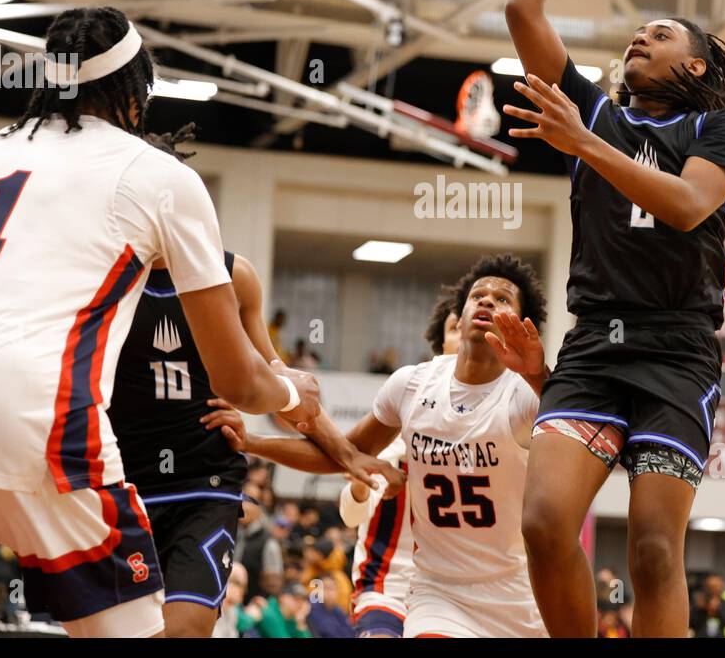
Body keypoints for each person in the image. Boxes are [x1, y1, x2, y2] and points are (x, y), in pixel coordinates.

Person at [0, 5, 323, 638]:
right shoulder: (159, 176)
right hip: (41, 424)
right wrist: (293, 391)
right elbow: (235, 377)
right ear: (136, 91)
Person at [502, 0, 725, 639]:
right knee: (546, 523)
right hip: (593, 349)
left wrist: (583, 144)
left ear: (692, 65)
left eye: (661, 33)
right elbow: (522, 9)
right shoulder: (594, 111)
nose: (639, 38)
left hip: (677, 354)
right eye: (637, 31)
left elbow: (684, 207)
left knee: (653, 551)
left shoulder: (718, 127)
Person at [209, 254, 551, 638]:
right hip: (433, 590)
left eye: (503, 299)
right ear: (457, 316)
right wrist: (252, 441)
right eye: (478, 295)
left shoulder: (525, 396)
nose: (487, 301)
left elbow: (574, 437)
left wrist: (540, 375)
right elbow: (343, 454)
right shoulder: (411, 386)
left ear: (523, 326)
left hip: (515, 594)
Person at [109, 242, 392, 638]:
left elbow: (284, 386)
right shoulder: (100, 272)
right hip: (122, 483)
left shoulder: (232, 276)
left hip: (203, 486)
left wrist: (346, 453)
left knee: (185, 629)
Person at [337, 292, 460, 638]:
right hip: (385, 586)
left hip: (450, 597)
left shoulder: (494, 428)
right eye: (455, 328)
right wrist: (359, 483)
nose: (464, 336)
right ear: (440, 343)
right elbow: (350, 515)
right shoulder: (403, 409)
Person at [689, 573, 725, 638]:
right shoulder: (700, 603)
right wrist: (702, 608)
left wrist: (717, 610)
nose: (714, 590)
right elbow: (692, 622)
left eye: (717, 586)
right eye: (711, 587)